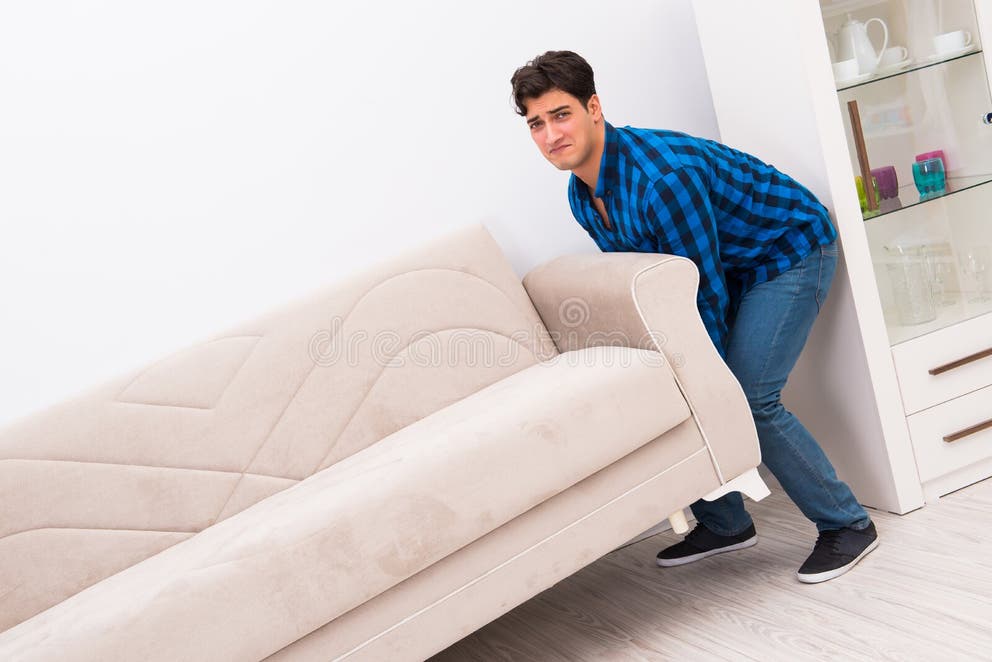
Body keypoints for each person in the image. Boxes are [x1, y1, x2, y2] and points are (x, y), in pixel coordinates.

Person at [510, 50, 878, 584]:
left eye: (560, 114)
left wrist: (704, 375)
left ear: (594, 107)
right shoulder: (582, 195)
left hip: (788, 251)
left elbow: (702, 290)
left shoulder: (662, 180)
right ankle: (727, 524)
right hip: (729, 270)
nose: (549, 135)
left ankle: (847, 524)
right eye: (535, 124)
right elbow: (652, 285)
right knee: (680, 385)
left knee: (746, 398)